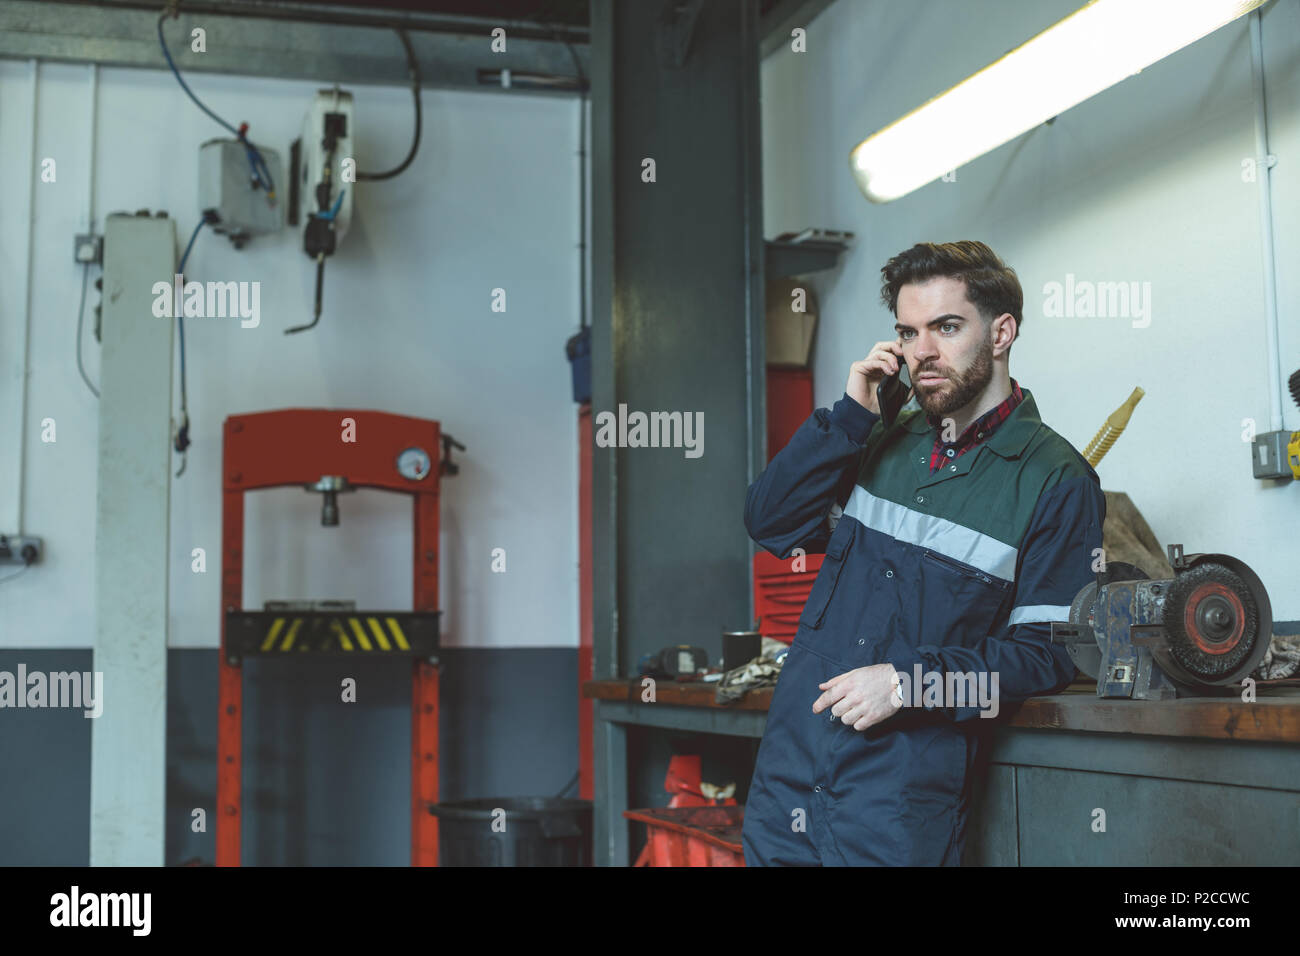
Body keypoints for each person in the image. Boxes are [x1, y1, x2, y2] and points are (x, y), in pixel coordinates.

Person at [741, 240, 1105, 866]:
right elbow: (770, 521)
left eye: (947, 327)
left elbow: (1047, 659)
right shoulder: (877, 437)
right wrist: (852, 413)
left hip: (896, 802)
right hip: (790, 778)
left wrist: (909, 685)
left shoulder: (1056, 480)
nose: (922, 352)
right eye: (908, 332)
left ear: (1002, 332)